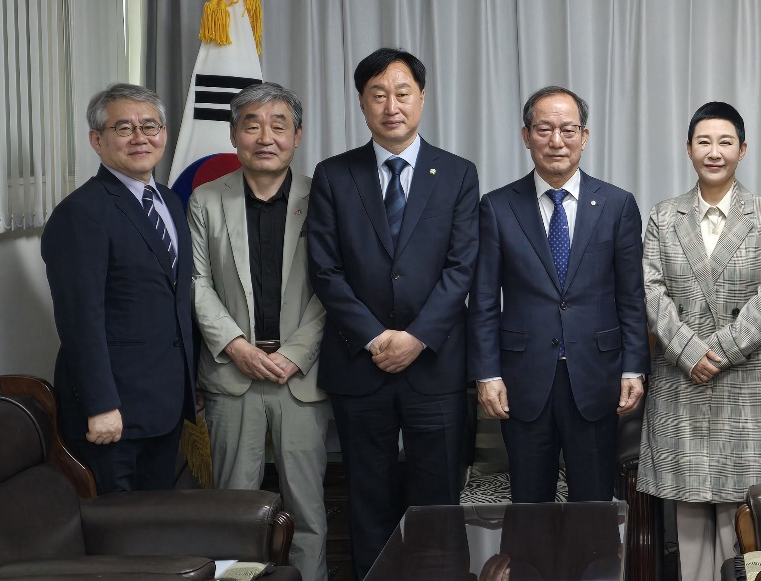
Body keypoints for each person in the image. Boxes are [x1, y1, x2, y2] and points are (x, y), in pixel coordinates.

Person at [306, 48, 480, 579]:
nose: (392, 105)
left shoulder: (457, 173)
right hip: (361, 364)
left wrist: (417, 337)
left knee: (438, 500)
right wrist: (376, 337)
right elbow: (325, 269)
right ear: (361, 102)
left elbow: (462, 267)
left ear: (422, 98)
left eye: (403, 93)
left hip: (435, 365)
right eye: (378, 94)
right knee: (368, 496)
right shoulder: (334, 175)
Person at [637, 102, 761, 581]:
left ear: (742, 150)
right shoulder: (664, 217)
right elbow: (650, 289)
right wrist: (688, 351)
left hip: (744, 380)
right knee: (687, 508)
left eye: (725, 142)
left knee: (741, 511)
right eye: (704, 142)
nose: (714, 152)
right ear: (689, 149)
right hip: (681, 380)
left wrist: (719, 352)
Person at [470, 86, 649, 503]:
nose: (556, 141)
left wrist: (633, 368)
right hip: (522, 378)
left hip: (597, 375)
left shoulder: (617, 204)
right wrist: (487, 374)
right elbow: (481, 300)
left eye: (568, 130)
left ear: (584, 136)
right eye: (544, 129)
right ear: (526, 135)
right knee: (529, 505)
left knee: (594, 505)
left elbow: (632, 296)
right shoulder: (497, 207)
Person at [190, 83, 331, 581]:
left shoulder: (324, 196)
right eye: (252, 124)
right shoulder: (206, 199)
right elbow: (196, 282)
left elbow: (334, 286)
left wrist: (296, 352)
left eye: (278, 125)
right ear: (233, 134)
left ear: (296, 135)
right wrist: (235, 346)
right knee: (234, 511)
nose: (265, 136)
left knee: (308, 513)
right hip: (233, 377)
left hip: (301, 376)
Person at [41, 83, 194, 493]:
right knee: (119, 536)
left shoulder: (169, 201)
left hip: (165, 404)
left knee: (154, 526)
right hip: (114, 414)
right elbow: (79, 321)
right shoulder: (81, 214)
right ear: (97, 139)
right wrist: (101, 406)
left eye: (150, 125)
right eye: (124, 128)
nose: (140, 137)